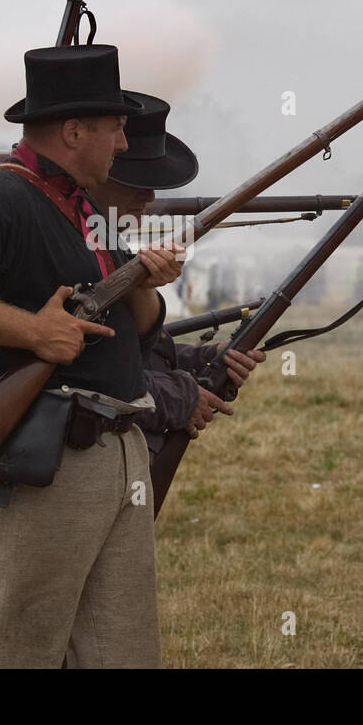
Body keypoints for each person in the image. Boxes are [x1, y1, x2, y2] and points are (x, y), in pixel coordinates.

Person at [0, 44, 182, 668]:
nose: (121, 146)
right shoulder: (1, 195)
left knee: (120, 651)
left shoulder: (81, 207)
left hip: (112, 445)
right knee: (11, 652)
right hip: (47, 453)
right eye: (114, 130)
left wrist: (138, 277)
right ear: (75, 130)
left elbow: (138, 332)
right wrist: (33, 332)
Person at [82, 92, 265, 462]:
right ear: (95, 171)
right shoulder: (71, 246)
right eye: (134, 181)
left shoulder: (105, 244)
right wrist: (182, 396)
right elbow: (88, 375)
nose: (149, 196)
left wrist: (203, 360)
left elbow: (132, 352)